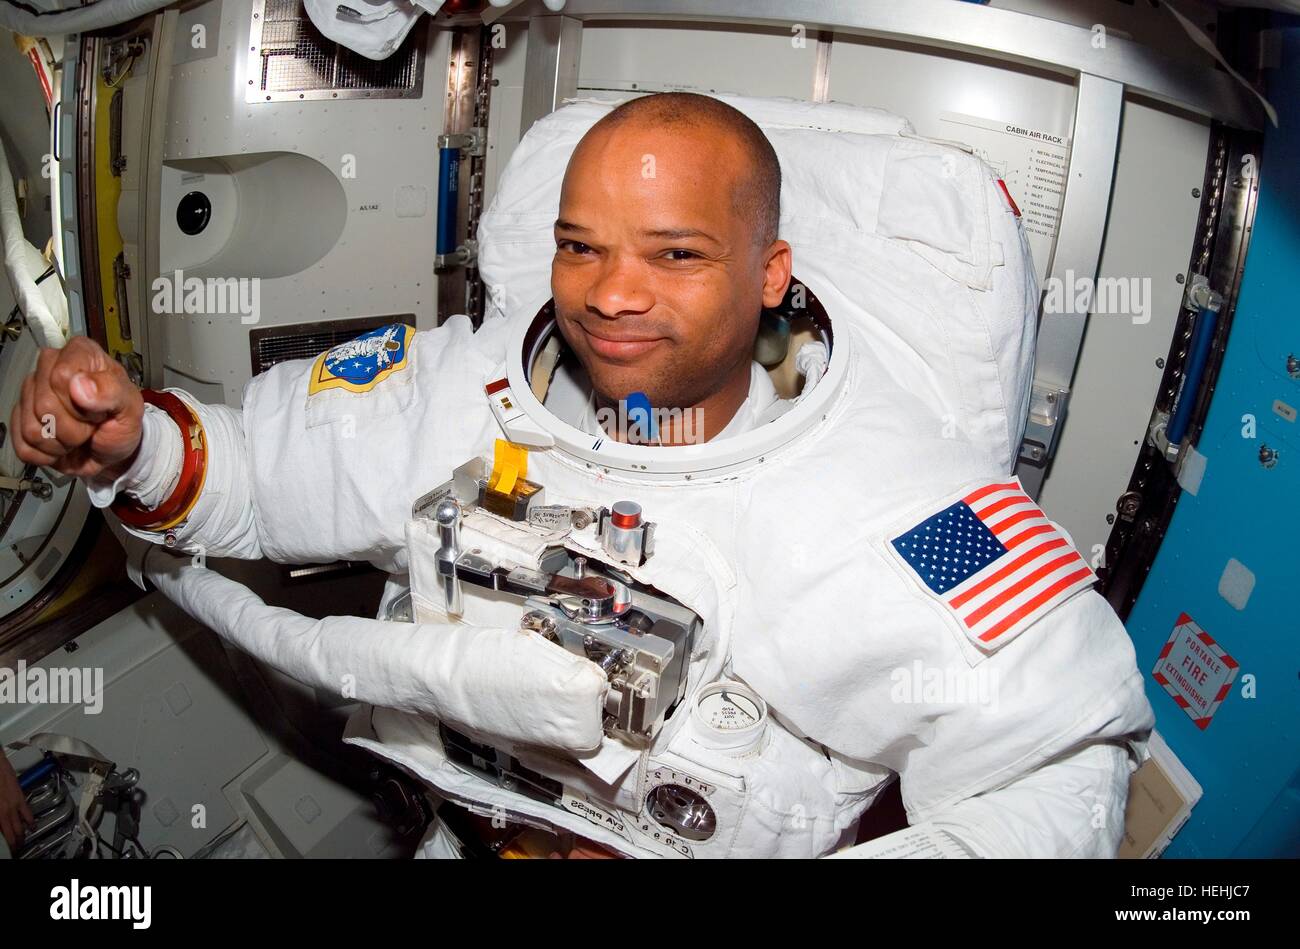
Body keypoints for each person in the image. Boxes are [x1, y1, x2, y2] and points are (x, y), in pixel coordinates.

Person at [10, 93, 1155, 858]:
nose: (612, 293)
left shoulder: (908, 509)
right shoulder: (456, 393)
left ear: (771, 276)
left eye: (675, 253)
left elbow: (1050, 774)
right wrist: (135, 445)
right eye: (581, 245)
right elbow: (259, 467)